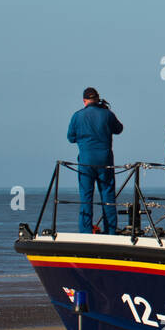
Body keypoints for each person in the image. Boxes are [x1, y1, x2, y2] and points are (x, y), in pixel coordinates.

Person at [67, 87, 124, 234]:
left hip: (86, 160)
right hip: (105, 160)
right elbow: (119, 129)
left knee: (86, 196)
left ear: (84, 101)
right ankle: (110, 231)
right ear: (98, 99)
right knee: (108, 195)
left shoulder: (77, 116)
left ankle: (85, 231)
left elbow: (71, 138)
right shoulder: (107, 114)